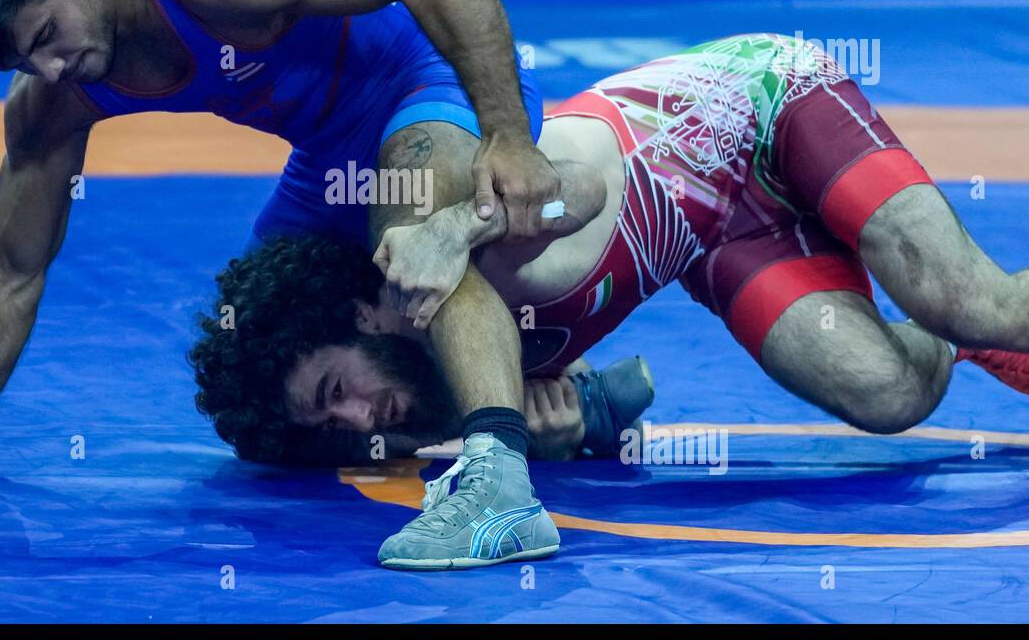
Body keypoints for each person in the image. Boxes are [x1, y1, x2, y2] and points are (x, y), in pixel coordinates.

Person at [0, 0, 568, 568]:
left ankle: (501, 488)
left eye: (45, 38)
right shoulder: (53, 90)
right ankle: (547, 404)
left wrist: (506, 134)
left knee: (411, 240)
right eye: (19, 62)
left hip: (424, 78)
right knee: (267, 397)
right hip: (326, 150)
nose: (49, 73)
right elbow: (11, 267)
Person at [192, 32, 1029, 567]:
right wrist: (567, 431)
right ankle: (947, 340)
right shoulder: (440, 391)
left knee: (976, 299)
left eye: (334, 393)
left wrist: (459, 229)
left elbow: (584, 193)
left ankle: (959, 320)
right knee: (887, 394)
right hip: (720, 240)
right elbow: (615, 388)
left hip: (763, 112)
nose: (358, 424)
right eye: (325, 429)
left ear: (361, 314)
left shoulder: (431, 260)